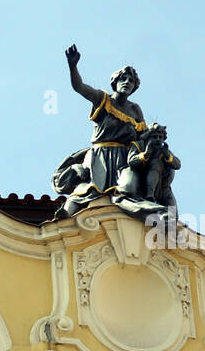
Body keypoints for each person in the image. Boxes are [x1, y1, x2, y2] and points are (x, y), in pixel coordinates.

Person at [52, 44, 147, 219]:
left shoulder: (135, 110)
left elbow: (144, 137)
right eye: (123, 79)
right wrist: (73, 66)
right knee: (89, 190)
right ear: (115, 82)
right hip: (100, 155)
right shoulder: (103, 99)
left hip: (123, 158)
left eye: (131, 81)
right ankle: (65, 215)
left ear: (135, 87)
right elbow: (79, 86)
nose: (127, 82)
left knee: (127, 193)